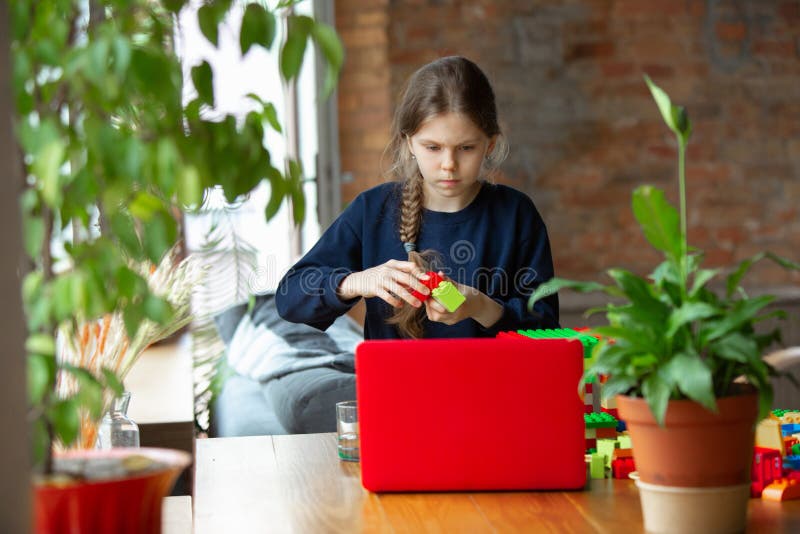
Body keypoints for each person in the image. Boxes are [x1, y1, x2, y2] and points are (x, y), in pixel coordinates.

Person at [276, 55, 559, 340]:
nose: (449, 163)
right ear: (410, 142)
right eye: (433, 147)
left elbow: (546, 327)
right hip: (394, 383)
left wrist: (480, 307)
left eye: (466, 148)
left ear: (490, 145)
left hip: (490, 383)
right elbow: (290, 298)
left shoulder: (516, 215)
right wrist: (359, 281)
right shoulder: (372, 210)